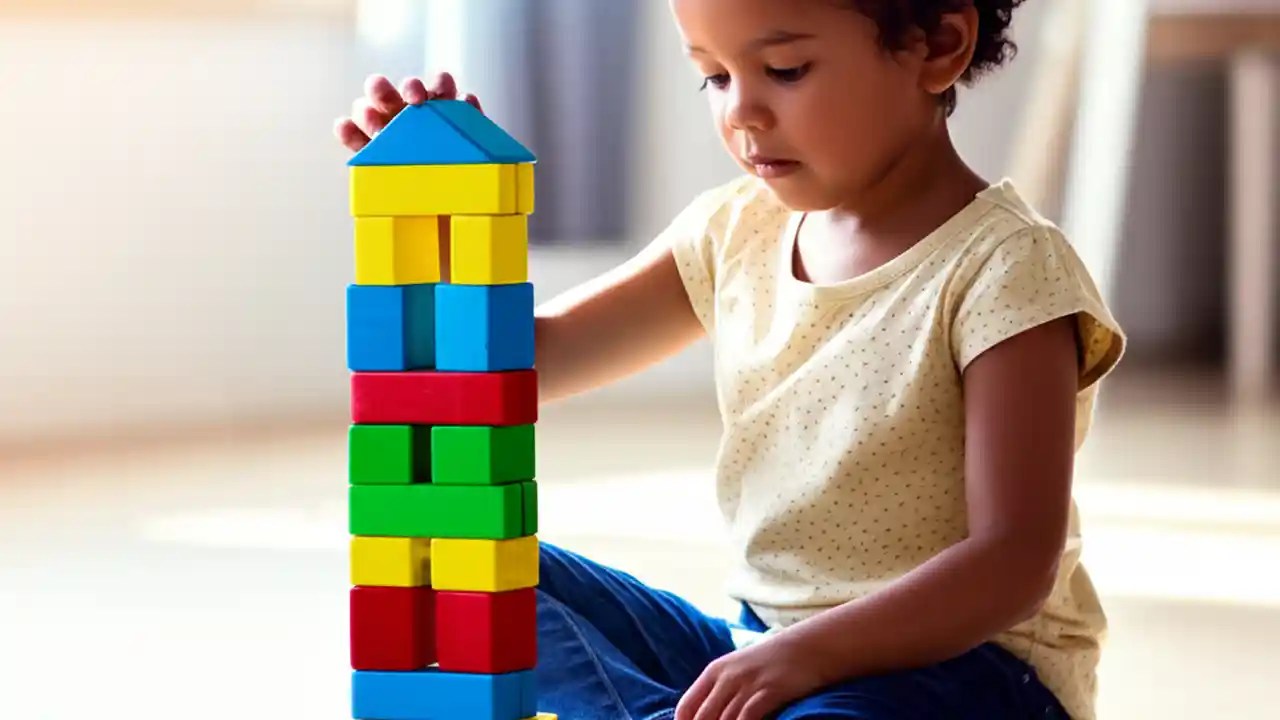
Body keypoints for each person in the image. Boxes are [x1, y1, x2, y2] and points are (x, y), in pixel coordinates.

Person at [335, 1, 1126, 718]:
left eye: (784, 70)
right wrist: (446, 213)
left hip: (967, 672)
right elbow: (525, 366)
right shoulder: (732, 233)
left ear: (938, 45)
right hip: (760, 648)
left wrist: (809, 655)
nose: (741, 111)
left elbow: (1015, 560)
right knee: (454, 561)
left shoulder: (1004, 269)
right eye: (712, 76)